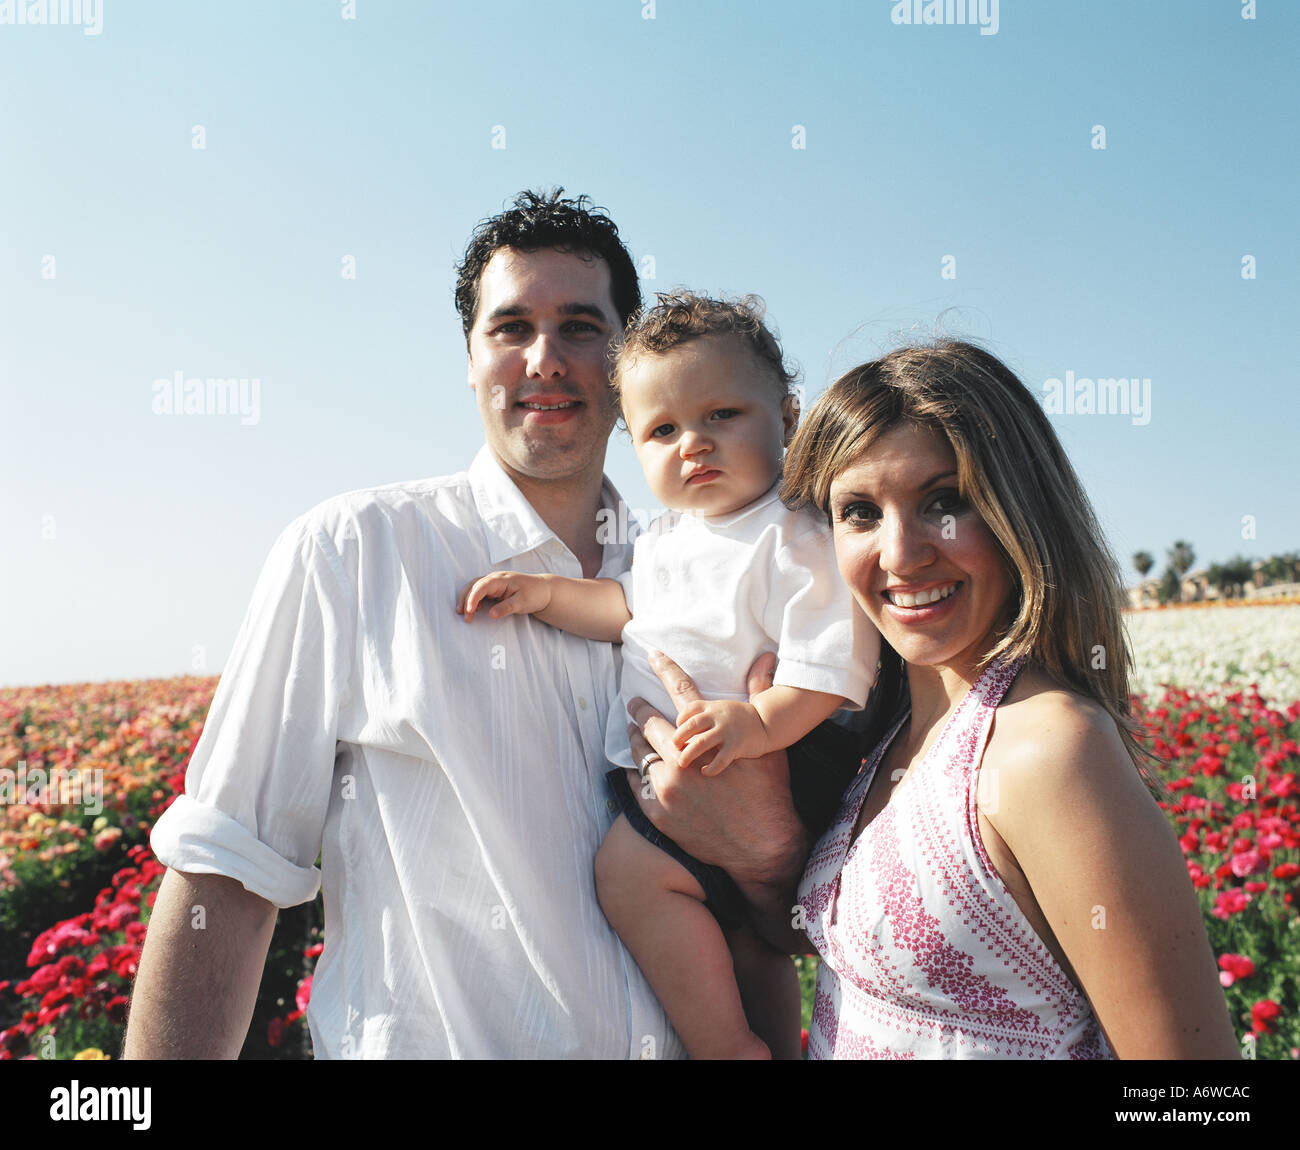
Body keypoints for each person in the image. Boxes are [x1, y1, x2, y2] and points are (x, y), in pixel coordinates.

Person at [126, 189, 712, 1058]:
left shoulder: (696, 576)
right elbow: (229, 868)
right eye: (510, 328)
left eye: (582, 327)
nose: (544, 358)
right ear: (470, 361)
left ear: (629, 362)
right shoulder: (355, 552)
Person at [629, 339, 1240, 1059]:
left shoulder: (1045, 747)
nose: (901, 554)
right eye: (859, 511)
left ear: (1020, 510)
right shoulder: (887, 736)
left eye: (946, 503)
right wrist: (765, 859)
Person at [457, 293, 878, 1059]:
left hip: (784, 761)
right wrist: (545, 594)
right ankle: (754, 1045)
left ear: (787, 419)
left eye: (722, 415)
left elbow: (828, 668)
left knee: (629, 877)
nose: (694, 444)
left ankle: (732, 1045)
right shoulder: (661, 542)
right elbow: (624, 609)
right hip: (686, 774)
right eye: (662, 430)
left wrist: (757, 724)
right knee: (726, 930)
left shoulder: (795, 535)